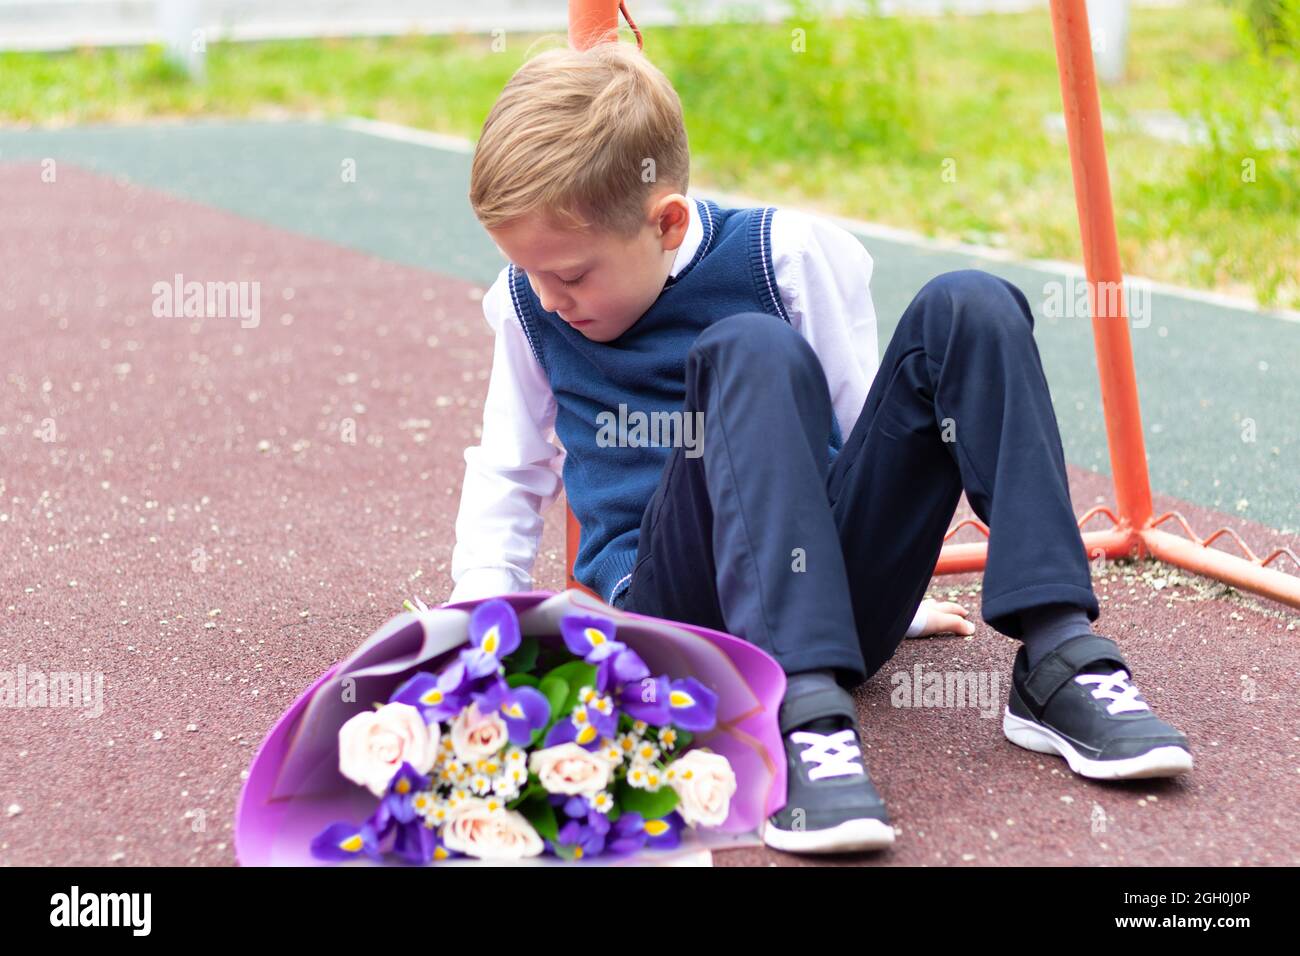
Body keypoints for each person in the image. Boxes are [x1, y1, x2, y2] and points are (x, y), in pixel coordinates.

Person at [448, 41, 1192, 855]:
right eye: (531, 273)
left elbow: (865, 434)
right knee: (749, 351)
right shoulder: (527, 306)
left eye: (573, 275)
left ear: (664, 221)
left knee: (971, 306)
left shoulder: (789, 255)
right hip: (676, 617)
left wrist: (894, 598)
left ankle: (1059, 655)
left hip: (831, 607)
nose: (552, 300)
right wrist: (480, 635)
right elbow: (511, 469)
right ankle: (796, 721)